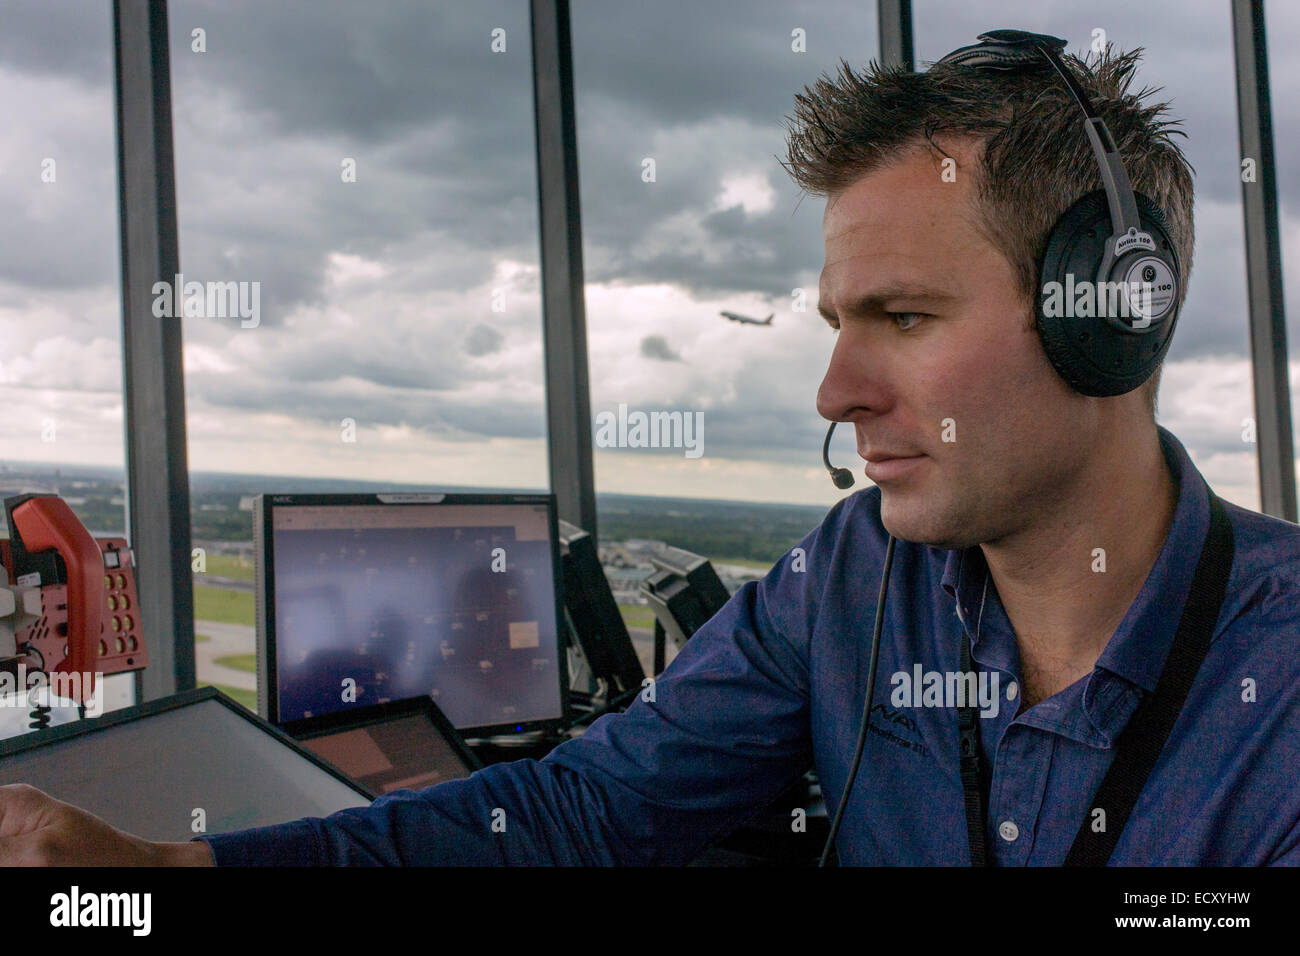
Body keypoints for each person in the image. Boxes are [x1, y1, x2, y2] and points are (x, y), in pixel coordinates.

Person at [3, 34, 1299, 867]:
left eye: (902, 319)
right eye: (838, 322)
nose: (835, 389)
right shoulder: (853, 580)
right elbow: (584, 812)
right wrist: (184, 871)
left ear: (1111, 316)